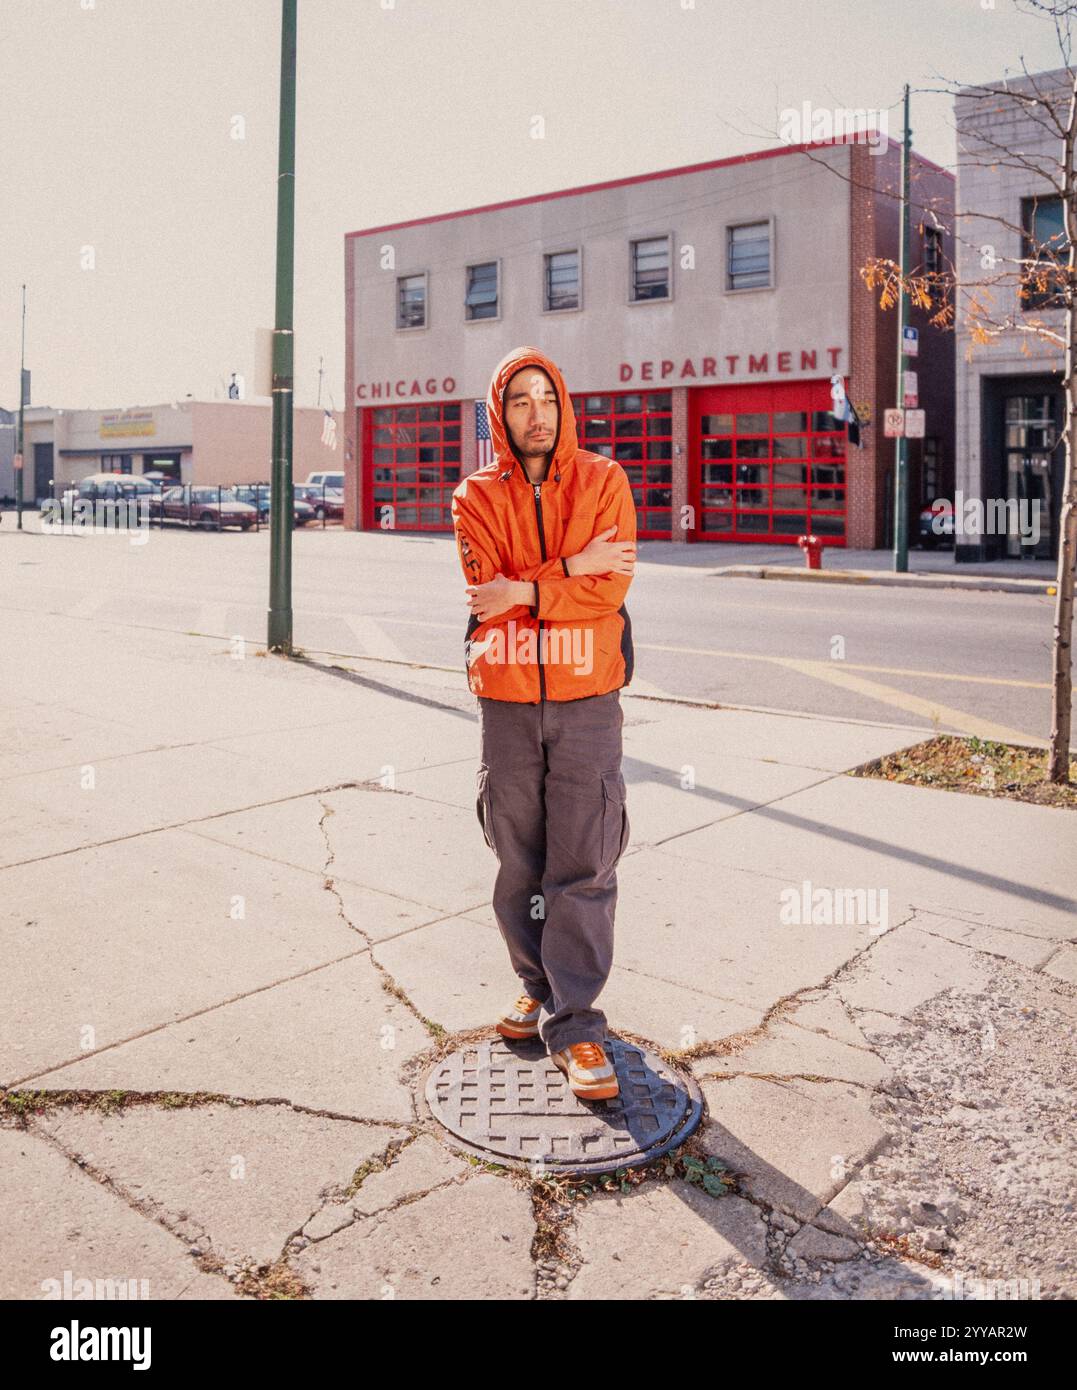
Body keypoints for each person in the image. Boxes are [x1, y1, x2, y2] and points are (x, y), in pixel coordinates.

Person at [450, 346, 637, 1101]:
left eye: (546, 399)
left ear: (564, 405)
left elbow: (610, 584)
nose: (536, 414)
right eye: (520, 401)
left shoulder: (603, 480)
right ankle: (537, 986)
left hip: (587, 695)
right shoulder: (474, 496)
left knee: (584, 860)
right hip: (505, 696)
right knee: (517, 856)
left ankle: (579, 1024)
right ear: (501, 412)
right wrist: (565, 570)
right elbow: (483, 593)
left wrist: (528, 586)